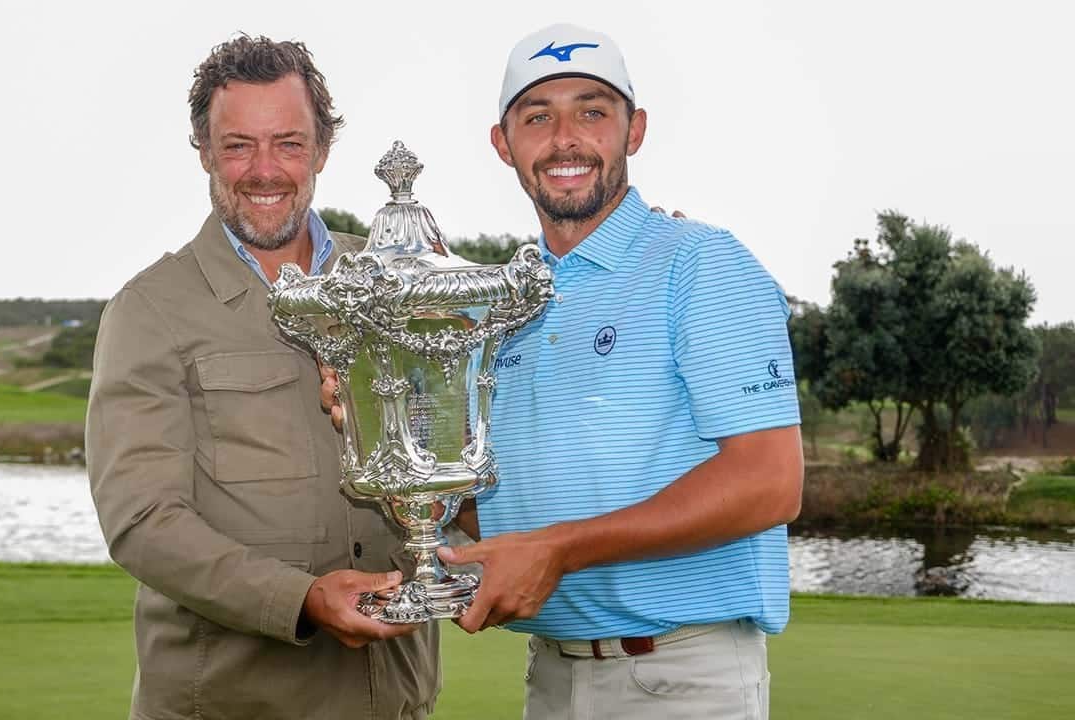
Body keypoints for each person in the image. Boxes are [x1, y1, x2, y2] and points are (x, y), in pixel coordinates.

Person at [444, 23, 803, 720]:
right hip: (551, 677)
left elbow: (770, 481)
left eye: (592, 112)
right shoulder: (503, 303)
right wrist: (384, 429)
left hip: (681, 678)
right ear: (503, 143)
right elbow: (504, 512)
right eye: (537, 117)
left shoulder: (701, 264)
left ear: (633, 130)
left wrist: (558, 549)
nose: (566, 139)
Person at [85, 35, 439, 720]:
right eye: (239, 145)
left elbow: (456, 447)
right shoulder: (149, 310)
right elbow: (143, 521)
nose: (264, 169)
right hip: (228, 706)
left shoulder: (399, 280)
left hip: (395, 702)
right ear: (204, 152)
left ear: (323, 151)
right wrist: (303, 600)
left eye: (289, 143)